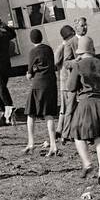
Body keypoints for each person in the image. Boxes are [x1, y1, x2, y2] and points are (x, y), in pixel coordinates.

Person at [65, 36, 100, 182]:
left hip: (86, 103)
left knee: (77, 133)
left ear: (80, 51)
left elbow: (70, 87)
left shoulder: (79, 65)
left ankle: (87, 162)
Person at [24, 28, 60, 156]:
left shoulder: (33, 51)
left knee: (30, 113)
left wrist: (30, 73)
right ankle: (53, 145)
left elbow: (29, 73)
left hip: (38, 83)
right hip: (51, 82)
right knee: (48, 114)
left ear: (31, 39)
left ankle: (31, 142)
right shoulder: (48, 49)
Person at [54, 24, 79, 140]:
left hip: (66, 82)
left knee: (65, 108)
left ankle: (59, 129)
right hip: (66, 82)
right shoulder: (64, 47)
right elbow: (56, 60)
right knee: (66, 108)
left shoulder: (66, 46)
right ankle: (62, 131)